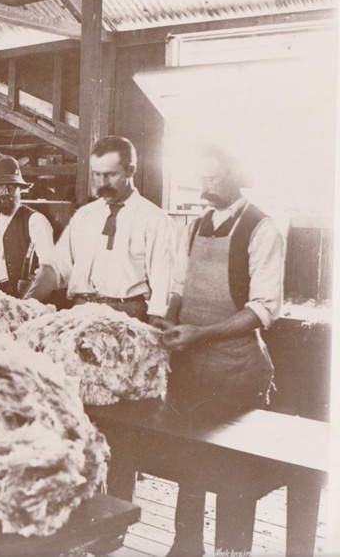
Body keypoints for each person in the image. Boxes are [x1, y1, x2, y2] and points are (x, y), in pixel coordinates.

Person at [158, 144, 284, 557]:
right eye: (201, 178)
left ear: (235, 176)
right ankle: (186, 545)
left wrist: (202, 335)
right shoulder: (194, 226)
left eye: (213, 178)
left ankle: (232, 551)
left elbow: (262, 309)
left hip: (235, 371)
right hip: (192, 368)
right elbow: (178, 287)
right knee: (190, 463)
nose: (204, 187)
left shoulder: (261, 228)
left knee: (234, 475)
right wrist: (171, 319)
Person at [23, 135, 176, 324]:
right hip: (80, 315)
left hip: (127, 319)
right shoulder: (84, 216)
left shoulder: (156, 220)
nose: (102, 183)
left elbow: (163, 288)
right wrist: (22, 306)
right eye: (97, 174)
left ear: (131, 170)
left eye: (111, 174)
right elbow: (55, 269)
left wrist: (154, 330)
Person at [0, 157, 55, 298]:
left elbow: (49, 266)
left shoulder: (35, 221)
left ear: (20, 190)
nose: (6, 192)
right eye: (0, 186)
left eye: (12, 186)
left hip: (23, 298)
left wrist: (33, 285)